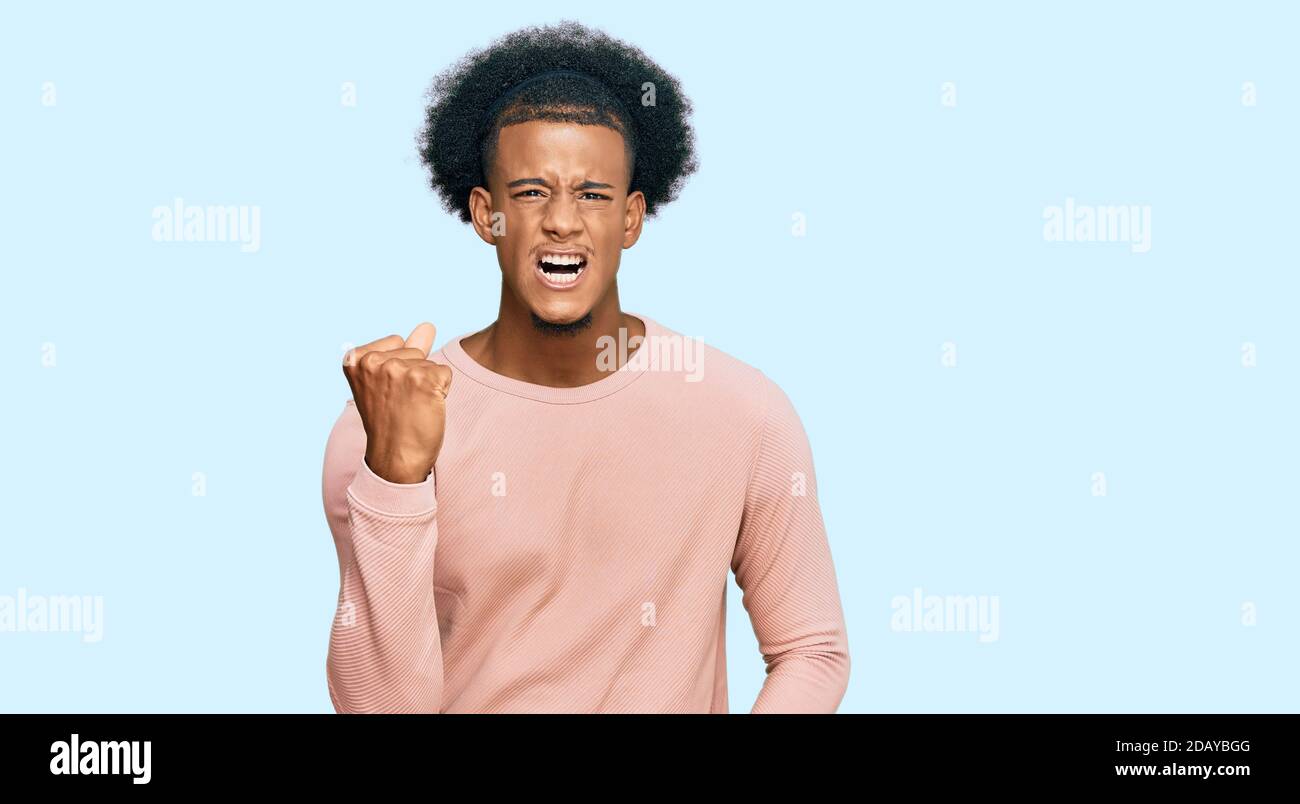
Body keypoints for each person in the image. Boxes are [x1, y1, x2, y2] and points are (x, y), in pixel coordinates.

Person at [322, 20, 849, 713]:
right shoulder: (384, 422)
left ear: (632, 218)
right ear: (487, 215)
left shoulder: (743, 412)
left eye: (593, 195)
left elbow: (811, 650)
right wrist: (395, 475)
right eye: (532, 191)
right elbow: (381, 709)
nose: (562, 222)